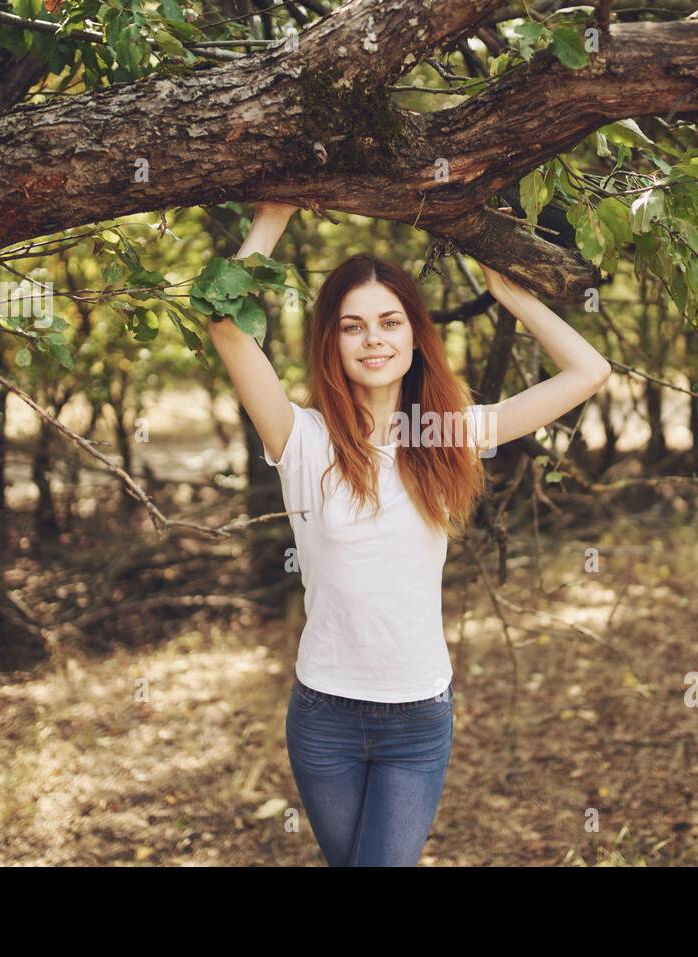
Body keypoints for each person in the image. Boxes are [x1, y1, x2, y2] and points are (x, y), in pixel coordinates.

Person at [207, 200, 611, 865]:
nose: (374, 340)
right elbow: (225, 323)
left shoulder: (449, 434)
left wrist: (510, 295)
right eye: (353, 326)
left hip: (417, 718)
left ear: (416, 335)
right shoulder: (301, 439)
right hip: (325, 719)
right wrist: (273, 214)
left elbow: (588, 372)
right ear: (332, 341)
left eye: (391, 322)